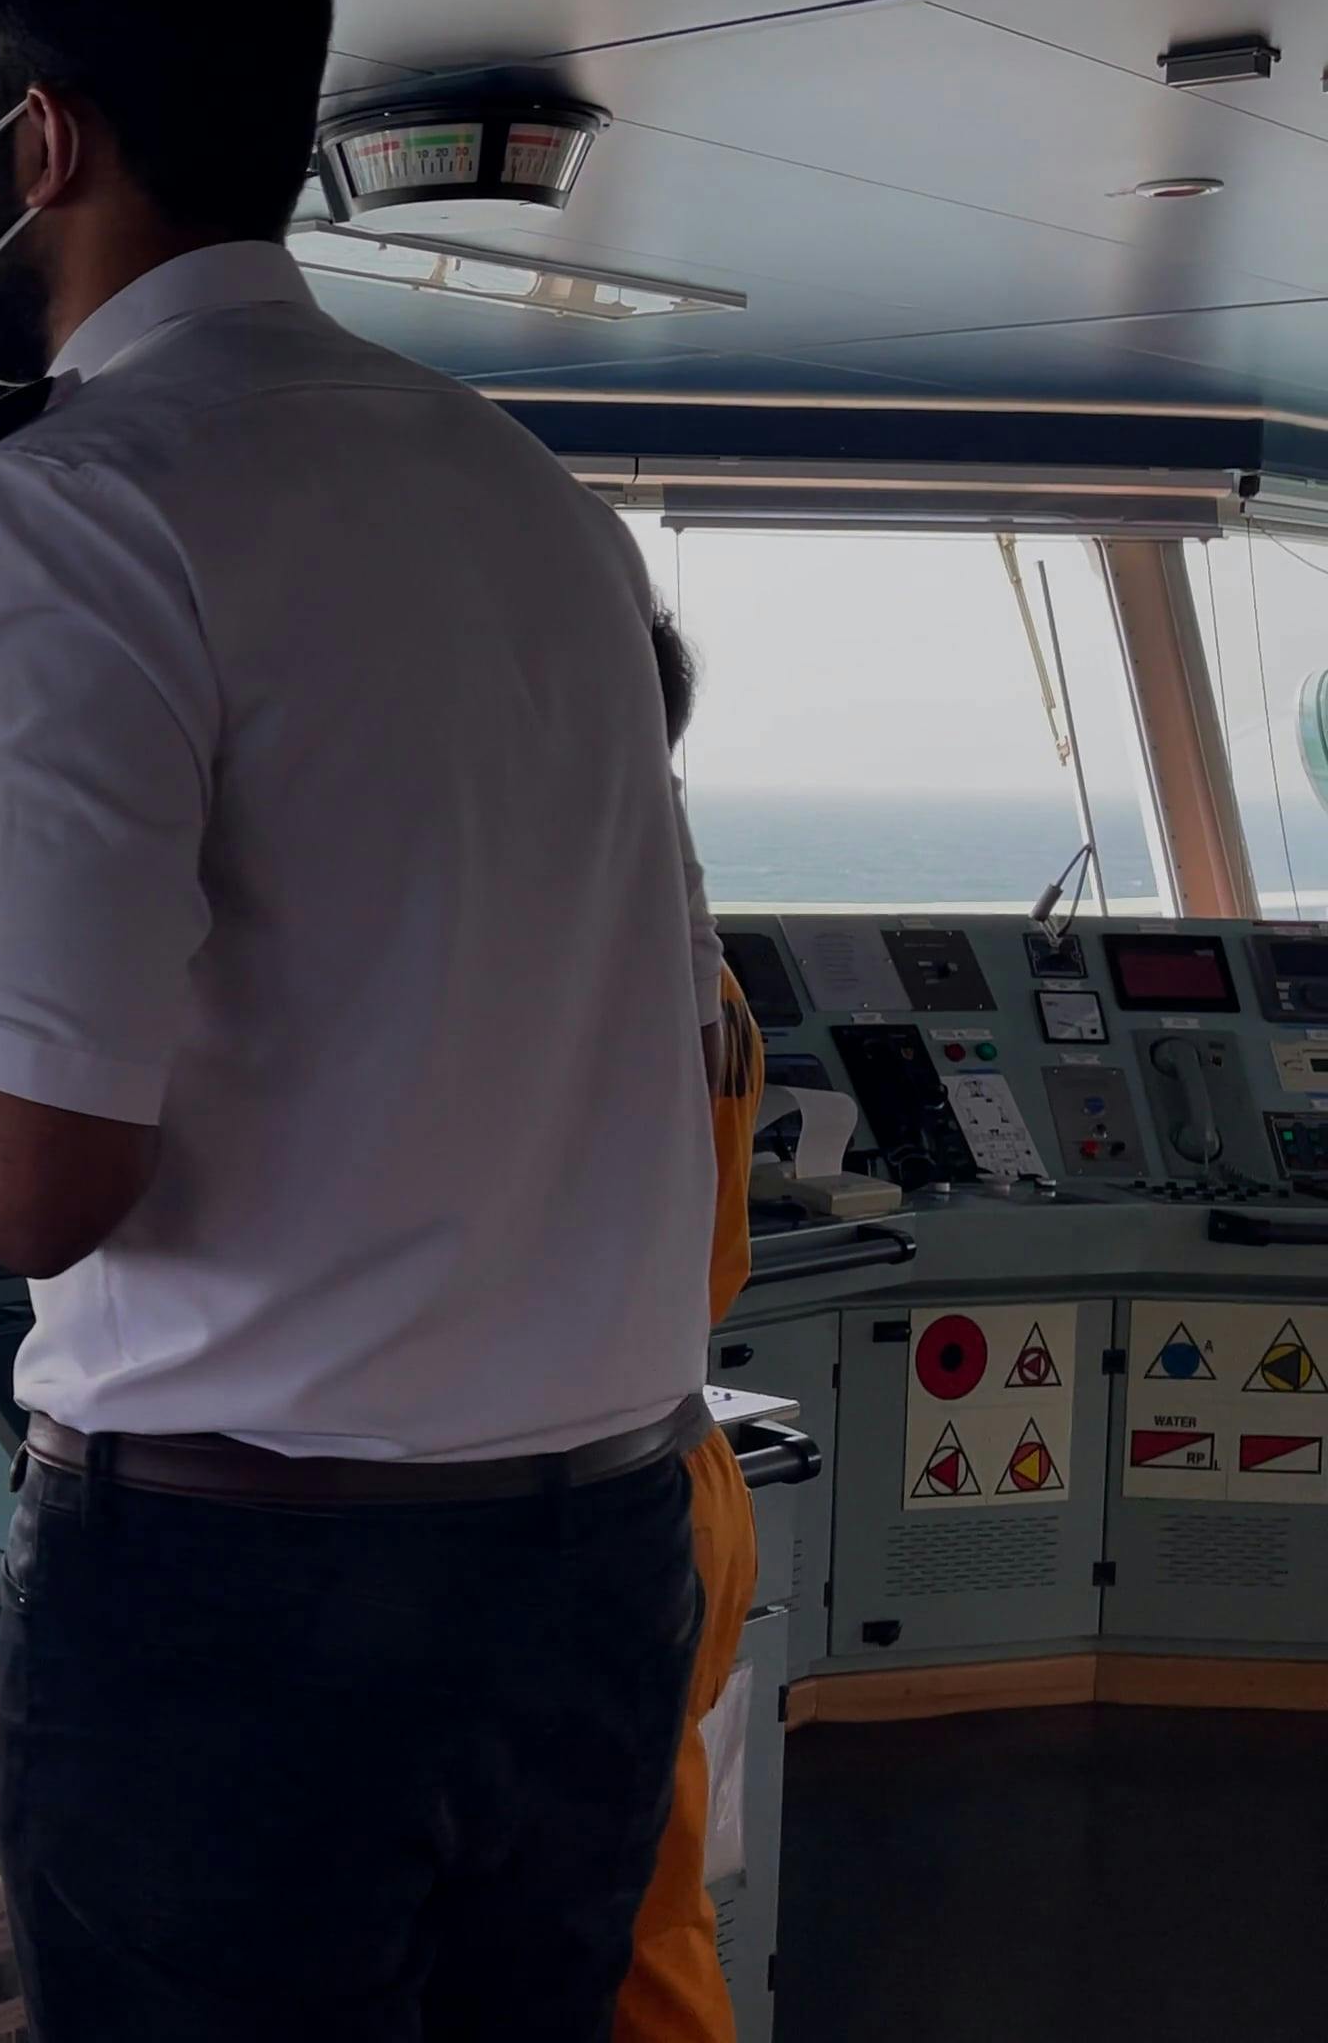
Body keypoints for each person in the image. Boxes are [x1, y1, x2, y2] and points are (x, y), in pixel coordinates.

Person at [0, 0, 721, 2033]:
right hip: (588, 1576)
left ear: (45, 146)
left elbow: (24, 1181)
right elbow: (406, 966)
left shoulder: (70, 496)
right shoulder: (527, 500)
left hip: (253, 1609)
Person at [616, 613, 769, 2043]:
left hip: (605, 1510)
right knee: (649, 1915)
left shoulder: (553, 976)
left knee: (625, 1931)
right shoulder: (694, 964)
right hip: (679, 1477)